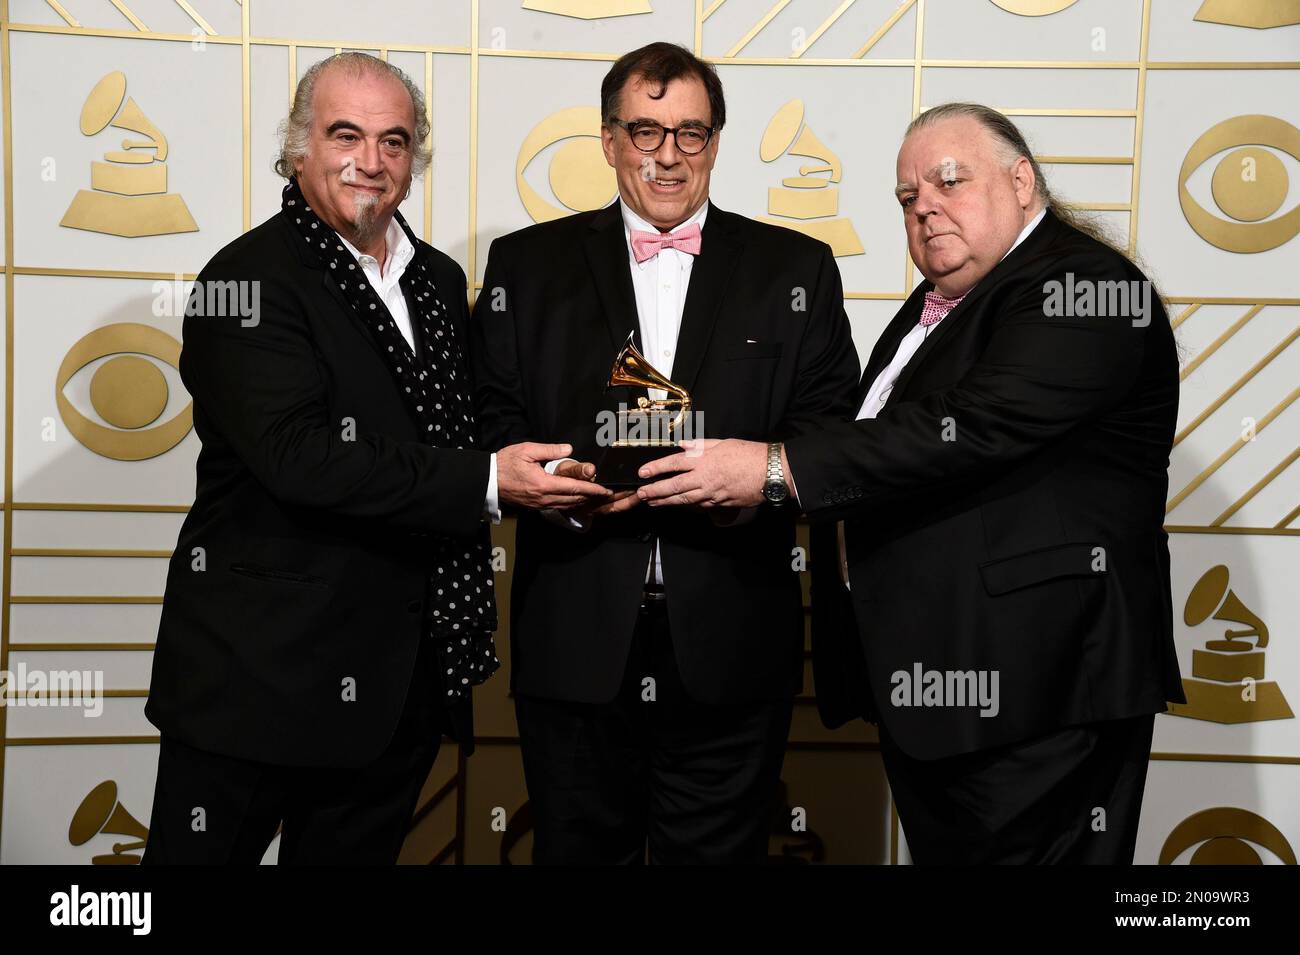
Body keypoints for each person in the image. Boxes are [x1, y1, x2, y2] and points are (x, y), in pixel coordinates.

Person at [638, 102, 1185, 864]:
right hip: (941, 698)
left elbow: (967, 426)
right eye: (906, 196)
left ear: (1023, 181)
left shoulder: (1089, 289)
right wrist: (741, 491)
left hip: (1040, 690)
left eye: (949, 180)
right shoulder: (941, 306)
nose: (924, 204)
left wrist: (768, 468)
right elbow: (878, 459)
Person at [142, 52, 606, 865]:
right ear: (298, 148)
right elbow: (301, 458)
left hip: (402, 680)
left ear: (414, 157)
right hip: (258, 680)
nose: (371, 161)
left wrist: (557, 474)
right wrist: (493, 481)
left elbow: (462, 433)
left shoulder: (438, 278)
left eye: (394, 141)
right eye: (345, 134)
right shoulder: (245, 280)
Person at [472, 42, 859, 864]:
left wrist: (759, 477)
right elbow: (487, 428)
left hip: (734, 643)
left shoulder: (798, 268)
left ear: (716, 142)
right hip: (574, 637)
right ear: (608, 140)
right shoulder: (524, 267)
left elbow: (836, 440)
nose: (668, 155)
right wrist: (551, 485)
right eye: (645, 132)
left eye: (690, 132)